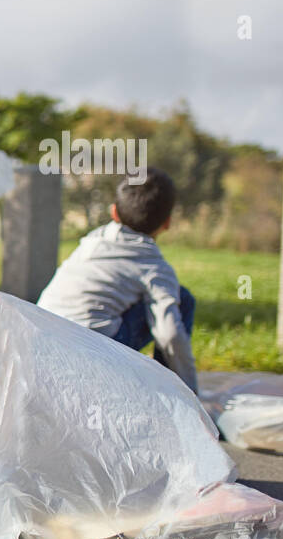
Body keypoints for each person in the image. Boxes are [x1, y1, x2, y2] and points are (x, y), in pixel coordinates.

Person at [38, 168, 197, 392]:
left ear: (114, 212)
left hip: (43, 347)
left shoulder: (92, 241)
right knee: (184, 300)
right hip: (93, 360)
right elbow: (170, 334)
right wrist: (192, 393)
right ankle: (170, 394)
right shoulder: (155, 267)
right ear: (167, 223)